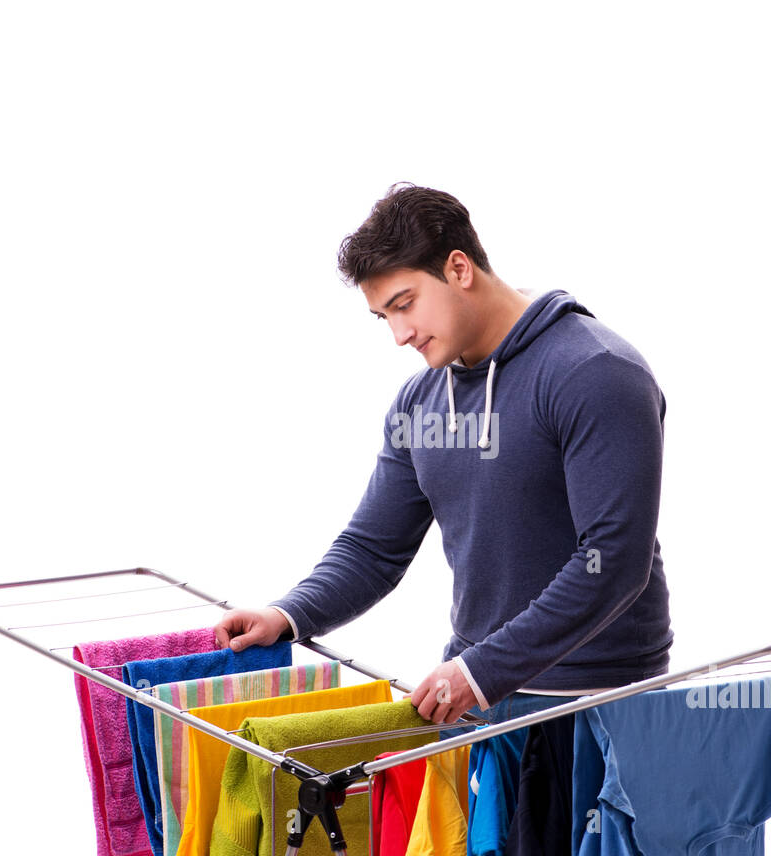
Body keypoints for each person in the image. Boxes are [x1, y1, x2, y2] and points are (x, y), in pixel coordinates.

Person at [213, 183, 673, 727]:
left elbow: (614, 564)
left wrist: (479, 671)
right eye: (384, 316)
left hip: (596, 699)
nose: (400, 335)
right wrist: (288, 613)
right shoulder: (421, 401)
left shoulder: (593, 372)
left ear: (458, 269)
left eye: (404, 304)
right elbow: (373, 549)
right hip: (480, 700)